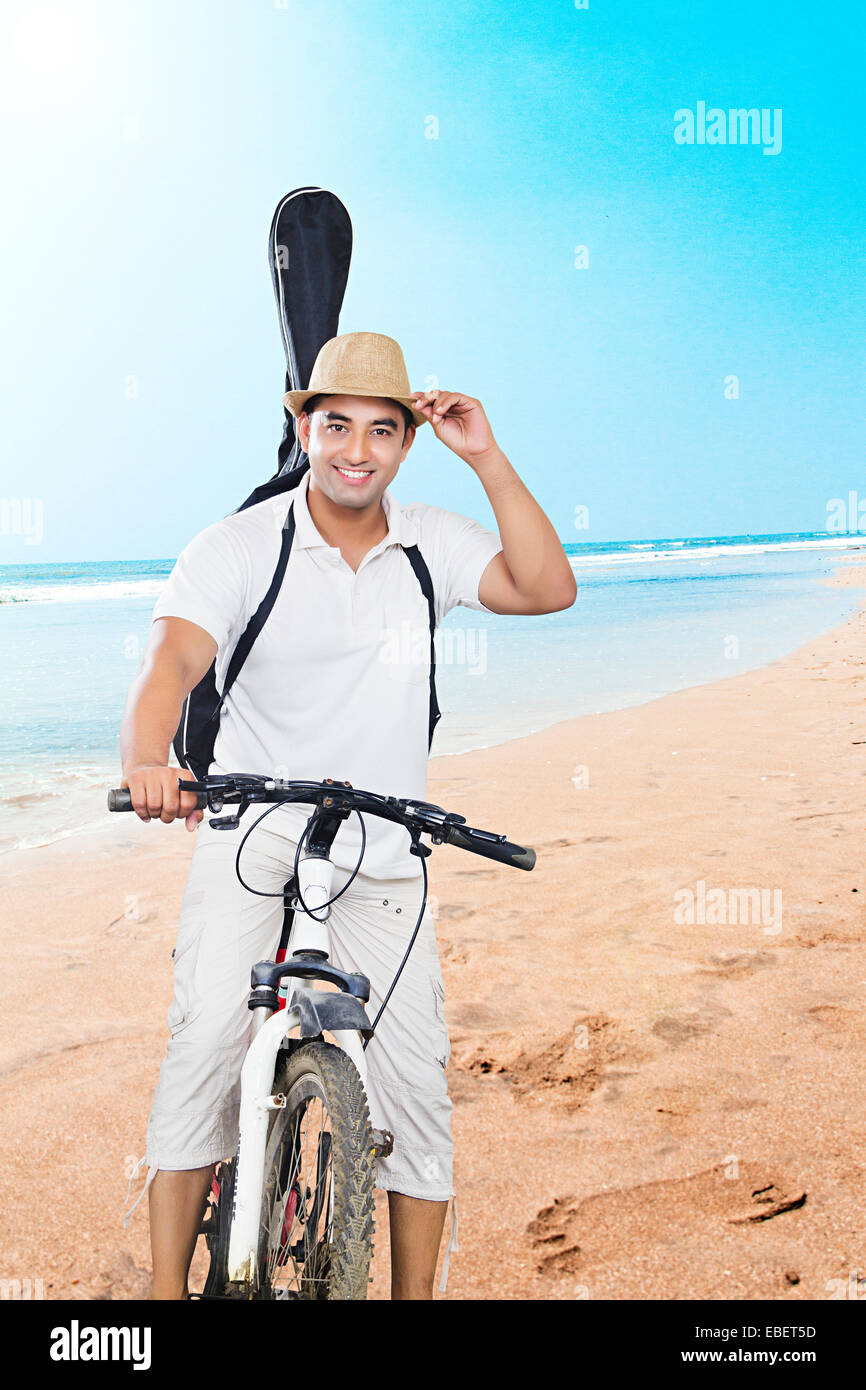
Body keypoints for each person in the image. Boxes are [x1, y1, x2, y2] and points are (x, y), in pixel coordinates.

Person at [119, 331, 577, 1300]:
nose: (355, 449)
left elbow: (546, 587)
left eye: (380, 429)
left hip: (384, 846)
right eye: (335, 425)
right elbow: (171, 661)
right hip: (253, 830)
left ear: (406, 440)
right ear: (305, 427)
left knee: (414, 1086)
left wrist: (484, 455)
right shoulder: (239, 545)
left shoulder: (430, 546)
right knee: (204, 1042)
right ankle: (161, 1300)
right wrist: (148, 760)